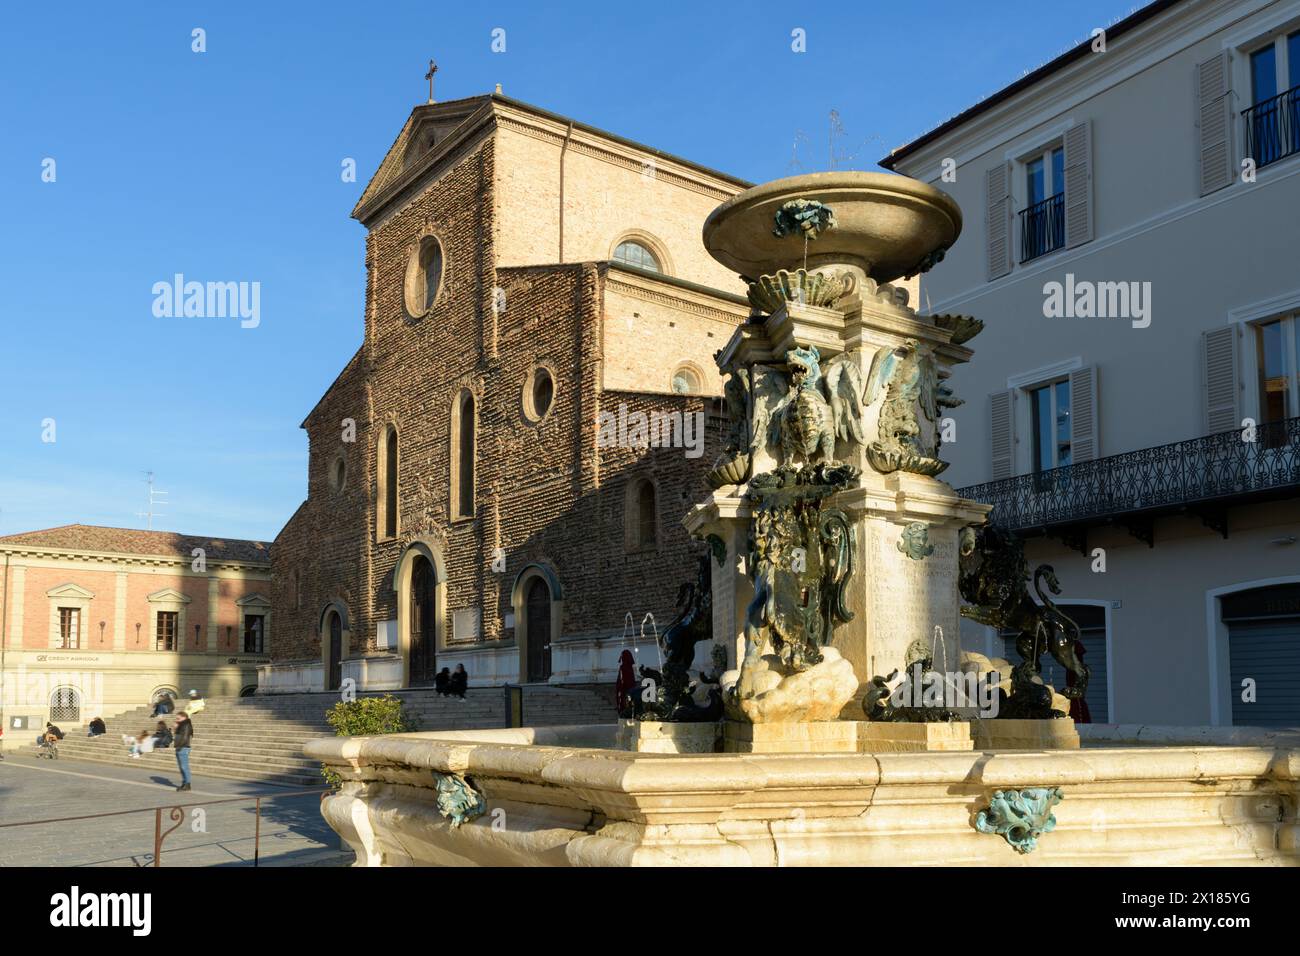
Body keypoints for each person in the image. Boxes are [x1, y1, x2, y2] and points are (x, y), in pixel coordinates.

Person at [173, 711, 194, 792]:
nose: (177, 720)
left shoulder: (186, 725)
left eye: (178, 718)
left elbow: (185, 737)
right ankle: (184, 782)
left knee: (184, 767)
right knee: (181, 767)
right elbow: (178, 736)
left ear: (184, 717)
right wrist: (176, 728)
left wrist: (180, 747)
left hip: (183, 748)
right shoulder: (182, 725)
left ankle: (187, 784)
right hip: (180, 747)